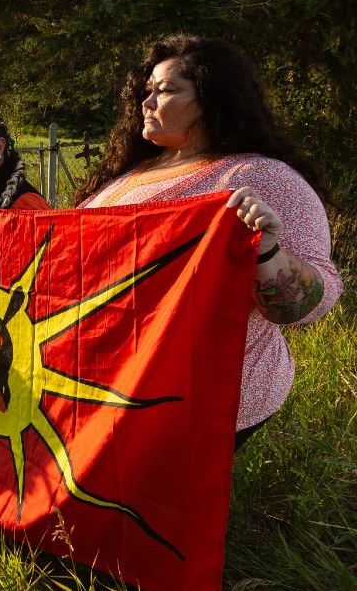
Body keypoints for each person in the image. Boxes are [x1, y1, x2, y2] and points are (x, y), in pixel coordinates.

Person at [74, 35, 342, 448]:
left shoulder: (261, 178)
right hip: (116, 382)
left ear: (213, 100)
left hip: (201, 397)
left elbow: (307, 306)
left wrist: (266, 251)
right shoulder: (131, 173)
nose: (146, 103)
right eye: (147, 91)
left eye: (164, 91)